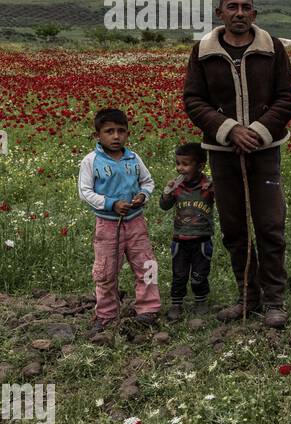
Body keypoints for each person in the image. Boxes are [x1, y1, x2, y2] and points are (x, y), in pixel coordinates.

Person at [182, 0, 291, 328]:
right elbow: (193, 100)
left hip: (264, 151)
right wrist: (229, 129)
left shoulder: (272, 48)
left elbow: (286, 97)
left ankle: (274, 299)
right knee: (234, 225)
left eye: (246, 7)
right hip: (222, 151)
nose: (240, 13)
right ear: (220, 13)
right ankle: (247, 296)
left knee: (270, 224)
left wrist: (258, 131)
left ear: (254, 14)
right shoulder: (202, 52)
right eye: (232, 7)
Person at [77, 107, 159, 335]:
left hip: (135, 222)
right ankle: (106, 314)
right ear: (98, 135)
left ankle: (149, 308)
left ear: (128, 134)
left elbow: (148, 181)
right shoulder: (91, 161)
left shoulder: (133, 158)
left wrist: (143, 195)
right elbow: (85, 192)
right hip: (107, 225)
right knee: (105, 271)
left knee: (147, 264)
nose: (116, 136)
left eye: (121, 131)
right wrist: (111, 203)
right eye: (109, 131)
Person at [158, 142, 215, 321]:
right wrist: (167, 193)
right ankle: (176, 304)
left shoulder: (208, 187)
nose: (180, 168)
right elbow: (164, 206)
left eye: (185, 164)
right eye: (177, 163)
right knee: (179, 274)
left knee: (200, 273)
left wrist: (215, 187)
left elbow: (224, 197)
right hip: (180, 239)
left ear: (200, 166)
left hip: (201, 239)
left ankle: (201, 301)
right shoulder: (177, 187)